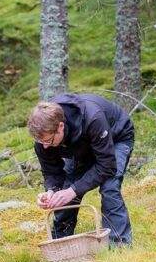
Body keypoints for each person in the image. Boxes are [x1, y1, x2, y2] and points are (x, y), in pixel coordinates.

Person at [28, 94, 134, 245]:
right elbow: (52, 171)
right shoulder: (43, 137)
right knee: (64, 192)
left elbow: (106, 165)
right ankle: (60, 244)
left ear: (60, 126)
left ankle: (119, 245)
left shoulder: (93, 117)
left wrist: (73, 190)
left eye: (48, 141)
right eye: (41, 142)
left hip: (116, 137)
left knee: (109, 188)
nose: (45, 146)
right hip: (80, 146)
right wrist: (51, 190)